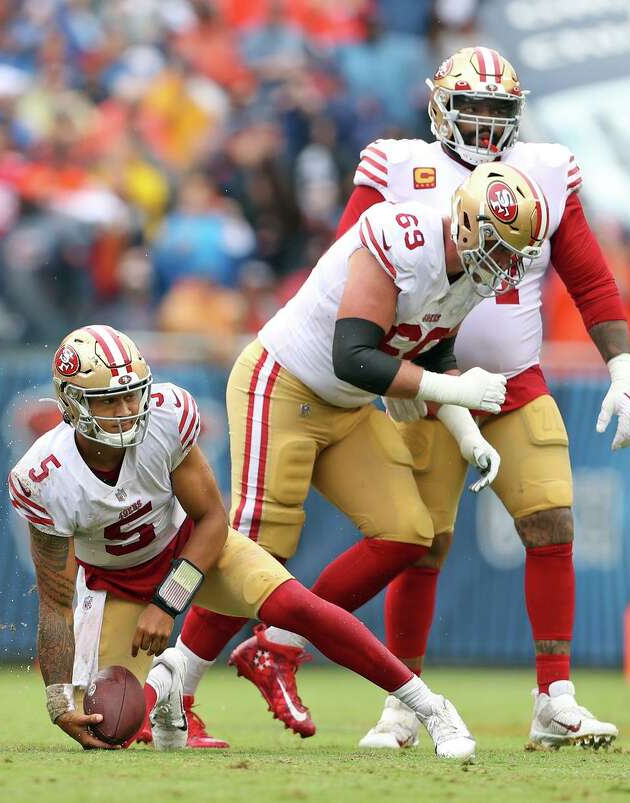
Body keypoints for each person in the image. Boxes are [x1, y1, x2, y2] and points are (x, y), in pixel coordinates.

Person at [174, 160, 545, 745]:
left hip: (345, 408)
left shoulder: (471, 273)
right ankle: (174, 694)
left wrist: (466, 433)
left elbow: (432, 350)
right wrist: (454, 392)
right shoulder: (404, 239)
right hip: (285, 383)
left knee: (408, 532)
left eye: (516, 253)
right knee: (256, 548)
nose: (506, 265)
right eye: (500, 247)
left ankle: (277, 647)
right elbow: (353, 356)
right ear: (467, 223)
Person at [332, 46, 630, 751]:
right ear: (442, 108)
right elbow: (345, 271)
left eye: (499, 110)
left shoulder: (547, 169)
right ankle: (403, 702)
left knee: (552, 521)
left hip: (516, 381)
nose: (487, 123)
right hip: (431, 387)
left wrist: (623, 368)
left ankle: (554, 698)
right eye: (473, 108)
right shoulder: (397, 165)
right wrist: (383, 370)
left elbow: (589, 277)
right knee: (420, 544)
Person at [11, 325, 478, 759]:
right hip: (113, 584)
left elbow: (212, 519)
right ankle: (166, 686)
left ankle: (430, 706)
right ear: (71, 405)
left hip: (190, 549)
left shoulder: (166, 417)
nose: (127, 411)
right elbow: (56, 603)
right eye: (110, 402)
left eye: (132, 395)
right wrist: (58, 704)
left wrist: (167, 602)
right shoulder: (44, 476)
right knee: (111, 728)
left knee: (298, 608)